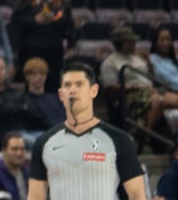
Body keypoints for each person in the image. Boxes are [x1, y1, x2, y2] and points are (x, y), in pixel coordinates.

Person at [28, 62, 146, 200]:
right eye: (67, 85)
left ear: (94, 91)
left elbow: (137, 195)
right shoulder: (44, 143)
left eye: (79, 84)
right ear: (61, 94)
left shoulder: (119, 140)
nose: (72, 90)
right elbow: (35, 196)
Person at [11, 0, 75, 81]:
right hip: (31, 49)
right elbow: (16, 22)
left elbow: (69, 22)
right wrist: (35, 20)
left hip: (54, 49)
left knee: (53, 83)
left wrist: (71, 44)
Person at [100, 23, 159, 130]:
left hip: (150, 89)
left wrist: (149, 63)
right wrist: (137, 87)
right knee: (158, 100)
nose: (135, 43)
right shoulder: (109, 62)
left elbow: (151, 77)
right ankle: (145, 135)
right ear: (122, 43)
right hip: (131, 94)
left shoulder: (138, 57)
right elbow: (110, 87)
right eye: (131, 41)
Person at [0, 53, 38, 147]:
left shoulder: (14, 91)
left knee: (45, 138)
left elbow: (32, 110)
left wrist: (8, 108)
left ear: (6, 72)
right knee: (34, 142)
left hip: (21, 130)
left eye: (1, 68)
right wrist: (19, 108)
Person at [23, 58, 64, 133]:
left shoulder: (55, 98)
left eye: (42, 74)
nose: (39, 77)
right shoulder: (23, 100)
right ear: (27, 76)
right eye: (34, 74)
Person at [0, 132, 32, 200]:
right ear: (4, 151)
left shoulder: (28, 173)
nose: (19, 153)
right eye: (14, 149)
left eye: (22, 149)